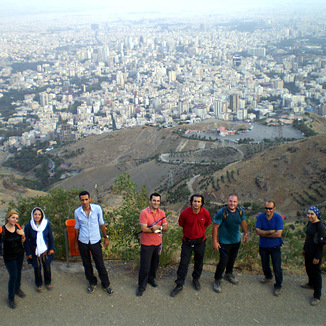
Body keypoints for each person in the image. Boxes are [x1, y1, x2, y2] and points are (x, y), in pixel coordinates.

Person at [170, 194, 211, 297]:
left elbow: (207, 224)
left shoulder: (205, 213)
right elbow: (181, 224)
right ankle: (179, 284)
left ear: (202, 203)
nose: (196, 203)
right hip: (187, 242)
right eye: (194, 201)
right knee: (183, 263)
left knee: (199, 262)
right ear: (191, 202)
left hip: (200, 241)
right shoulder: (185, 213)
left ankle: (196, 279)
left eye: (198, 201)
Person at [74, 190, 113, 295]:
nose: (84, 202)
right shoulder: (77, 212)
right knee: (86, 264)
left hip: (95, 241)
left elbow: (101, 223)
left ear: (90, 199)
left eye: (86, 199)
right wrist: (76, 243)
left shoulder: (97, 209)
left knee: (100, 263)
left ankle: (106, 284)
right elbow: (77, 228)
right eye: (82, 200)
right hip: (83, 241)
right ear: (80, 201)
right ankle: (92, 282)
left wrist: (106, 237)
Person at [212, 194, 248, 293]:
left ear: (237, 202)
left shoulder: (240, 211)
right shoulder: (222, 212)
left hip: (236, 241)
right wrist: (215, 242)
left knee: (232, 259)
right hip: (224, 242)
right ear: (227, 201)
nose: (232, 203)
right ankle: (217, 279)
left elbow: (243, 221)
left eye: (234, 201)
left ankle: (228, 274)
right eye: (230, 201)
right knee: (223, 261)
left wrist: (246, 233)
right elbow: (215, 227)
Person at [136, 193, 168, 296]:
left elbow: (166, 227)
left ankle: (151, 279)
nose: (156, 203)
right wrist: (154, 229)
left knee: (154, 264)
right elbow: (143, 228)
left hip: (158, 243)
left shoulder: (162, 213)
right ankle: (141, 286)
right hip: (147, 244)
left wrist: (159, 228)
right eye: (154, 200)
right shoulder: (144, 213)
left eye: (158, 201)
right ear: (150, 201)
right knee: (145, 266)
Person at [255, 201, 284, 296]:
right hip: (263, 245)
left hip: (275, 246)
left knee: (277, 267)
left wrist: (264, 234)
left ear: (274, 209)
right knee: (264, 264)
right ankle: (268, 277)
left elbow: (279, 234)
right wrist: (271, 232)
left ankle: (278, 285)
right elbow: (257, 231)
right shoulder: (260, 217)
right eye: (266, 208)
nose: (268, 210)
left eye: (270, 208)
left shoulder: (278, 218)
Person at [24, 207, 55, 293]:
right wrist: (28, 252)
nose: (37, 216)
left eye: (39, 214)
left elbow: (50, 237)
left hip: (46, 249)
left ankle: (48, 282)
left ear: (42, 215)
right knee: (37, 267)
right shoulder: (29, 226)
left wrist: (52, 248)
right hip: (34, 250)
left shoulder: (46, 224)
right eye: (35, 214)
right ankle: (38, 284)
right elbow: (26, 241)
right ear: (32, 215)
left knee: (47, 266)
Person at [1, 210, 26, 309]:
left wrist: (22, 234)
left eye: (16, 218)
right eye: (13, 217)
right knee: (13, 275)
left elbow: (22, 240)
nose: (15, 220)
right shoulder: (2, 230)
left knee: (19, 272)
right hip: (9, 257)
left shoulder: (18, 227)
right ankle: (11, 297)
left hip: (19, 254)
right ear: (8, 218)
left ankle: (17, 289)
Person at [301, 206, 324, 306]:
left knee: (316, 273)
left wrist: (317, 257)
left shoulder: (320, 226)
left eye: (312, 214)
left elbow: (320, 244)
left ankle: (317, 295)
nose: (309, 216)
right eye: (308, 213)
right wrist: (304, 249)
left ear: (316, 214)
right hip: (308, 251)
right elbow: (308, 237)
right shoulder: (310, 223)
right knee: (308, 269)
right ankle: (310, 284)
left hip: (315, 253)